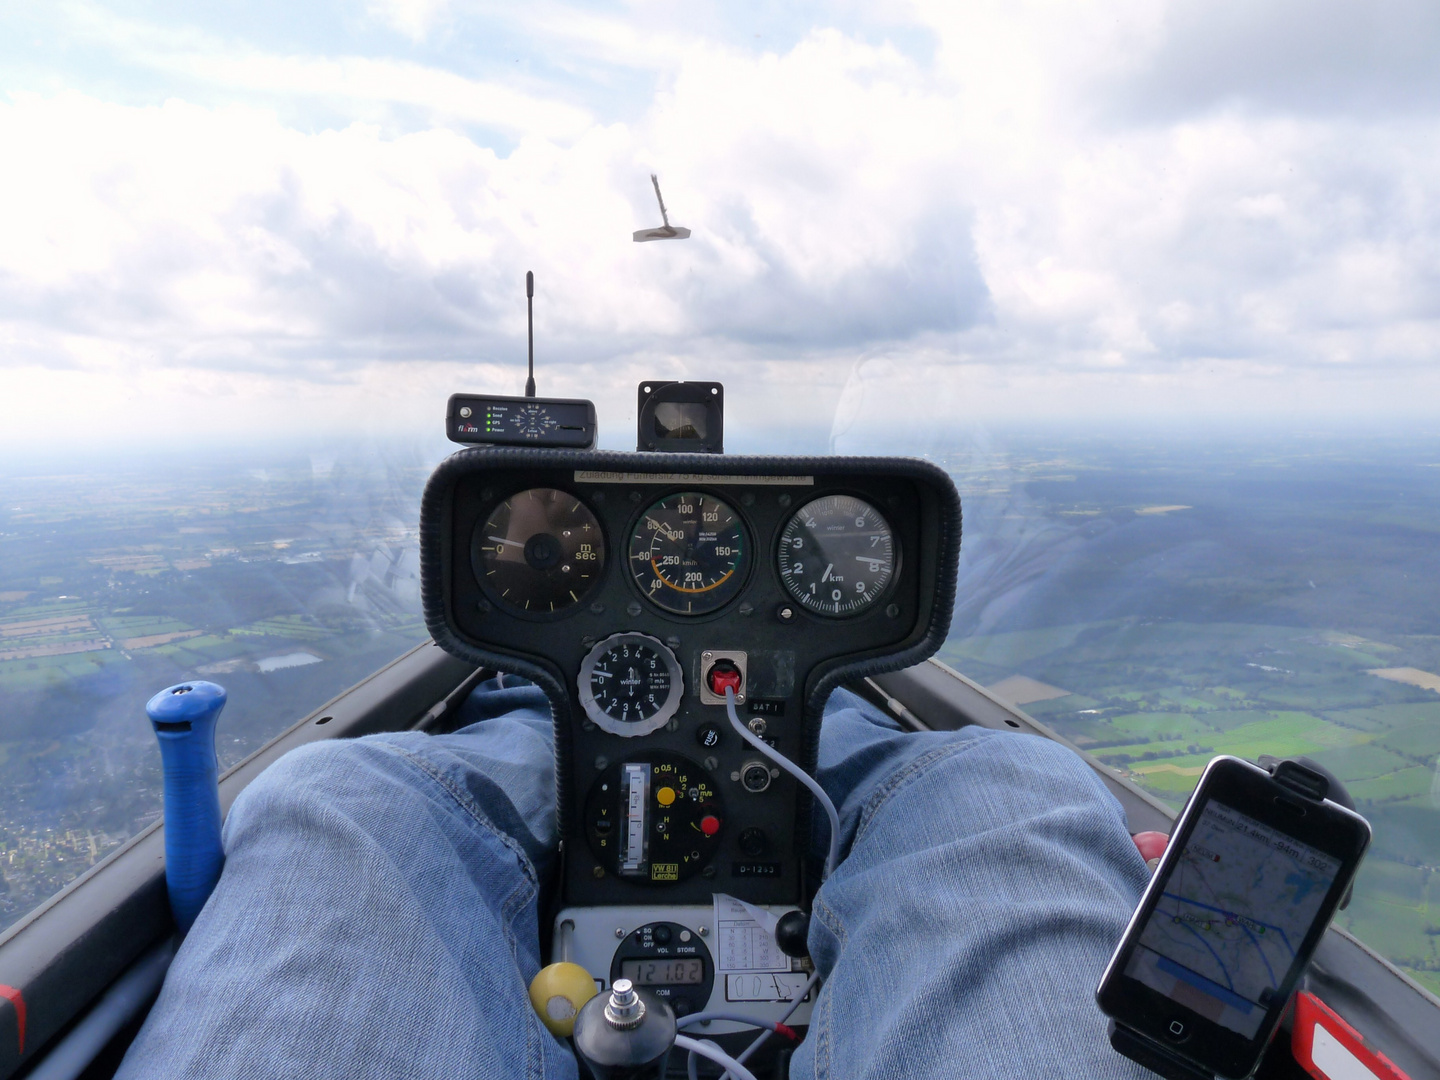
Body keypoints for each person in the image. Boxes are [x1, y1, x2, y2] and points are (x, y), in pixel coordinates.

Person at [116, 675, 1153, 1079]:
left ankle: (532, 710)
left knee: (340, 794)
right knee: (1014, 784)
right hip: (606, 691)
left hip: (642, 701)